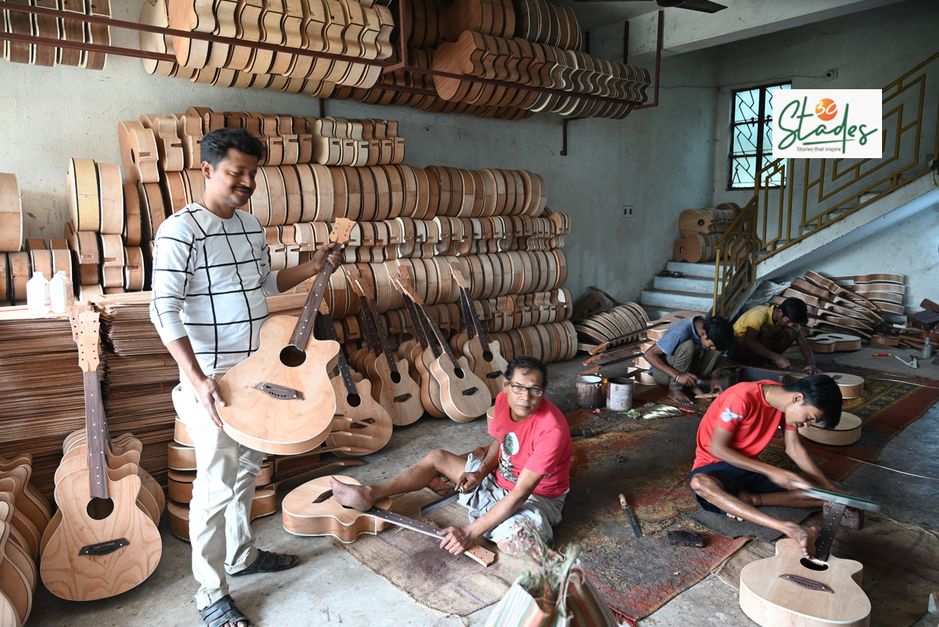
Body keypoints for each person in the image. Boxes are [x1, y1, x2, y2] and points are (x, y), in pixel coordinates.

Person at [150, 128, 342, 627]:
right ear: (207, 170)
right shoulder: (180, 231)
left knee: (244, 474)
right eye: (236, 172)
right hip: (212, 381)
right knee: (214, 486)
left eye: (253, 173)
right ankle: (211, 595)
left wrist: (313, 267)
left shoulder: (250, 226)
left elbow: (265, 283)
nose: (246, 182)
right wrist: (196, 380)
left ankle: (241, 556)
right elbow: (162, 311)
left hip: (256, 373)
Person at [331, 356, 572, 557]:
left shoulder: (552, 429)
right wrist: (479, 473)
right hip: (498, 480)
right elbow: (499, 442)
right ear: (505, 385)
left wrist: (469, 532)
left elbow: (520, 494)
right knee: (437, 457)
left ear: (544, 391)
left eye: (534, 390)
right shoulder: (502, 402)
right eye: (518, 387)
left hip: (537, 496)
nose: (525, 398)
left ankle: (494, 523)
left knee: (516, 543)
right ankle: (371, 492)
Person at [688, 375, 842, 557]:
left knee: (826, 494)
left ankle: (752, 499)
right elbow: (717, 449)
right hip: (715, 465)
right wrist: (773, 471)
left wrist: (828, 487)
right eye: (809, 417)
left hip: (748, 466)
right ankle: (787, 527)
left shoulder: (784, 401)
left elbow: (794, 448)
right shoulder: (741, 398)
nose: (807, 425)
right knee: (699, 484)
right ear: (798, 398)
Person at [644, 314, 734, 404]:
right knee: (688, 346)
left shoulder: (708, 328)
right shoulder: (680, 331)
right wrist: (678, 376)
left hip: (687, 371)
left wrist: (715, 379)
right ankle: (674, 390)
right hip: (664, 374)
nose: (712, 348)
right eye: (711, 345)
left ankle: (693, 385)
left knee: (718, 349)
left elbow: (718, 356)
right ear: (704, 334)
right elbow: (649, 354)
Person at [729, 297, 817, 373]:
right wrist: (776, 357)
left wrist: (811, 363)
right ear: (780, 312)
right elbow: (749, 341)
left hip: (757, 349)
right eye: (789, 321)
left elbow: (803, 343)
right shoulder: (759, 314)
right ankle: (755, 364)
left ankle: (764, 361)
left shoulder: (791, 321)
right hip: (737, 349)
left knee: (792, 332)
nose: (790, 324)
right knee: (766, 329)